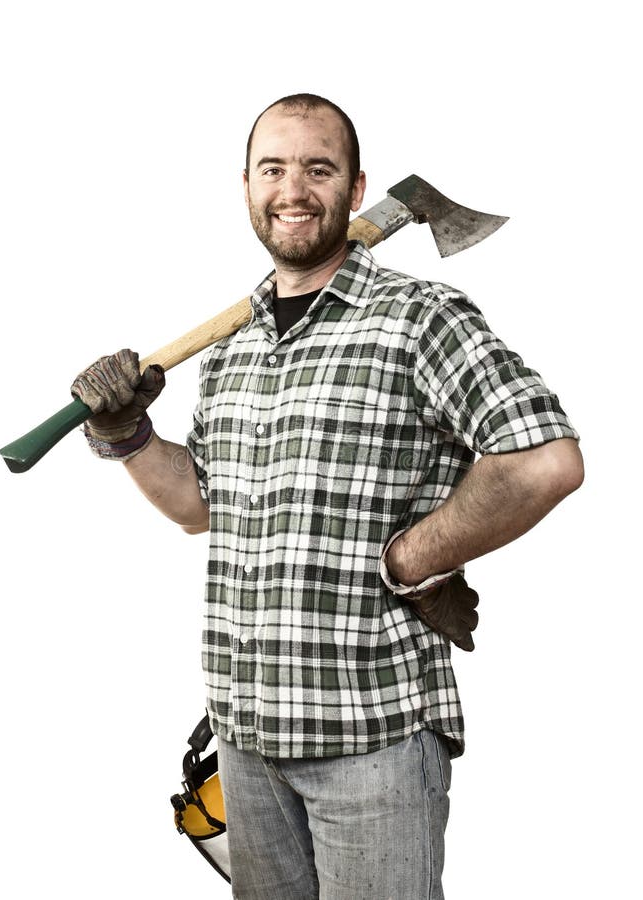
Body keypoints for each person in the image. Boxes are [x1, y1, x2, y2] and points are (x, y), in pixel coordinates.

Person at [71, 93, 584, 900]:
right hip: (243, 740)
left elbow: (544, 460)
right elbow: (201, 506)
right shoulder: (235, 345)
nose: (293, 189)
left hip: (370, 742)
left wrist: (414, 557)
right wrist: (130, 433)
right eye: (273, 168)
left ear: (356, 187)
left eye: (319, 168)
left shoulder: (421, 317)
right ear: (245, 185)